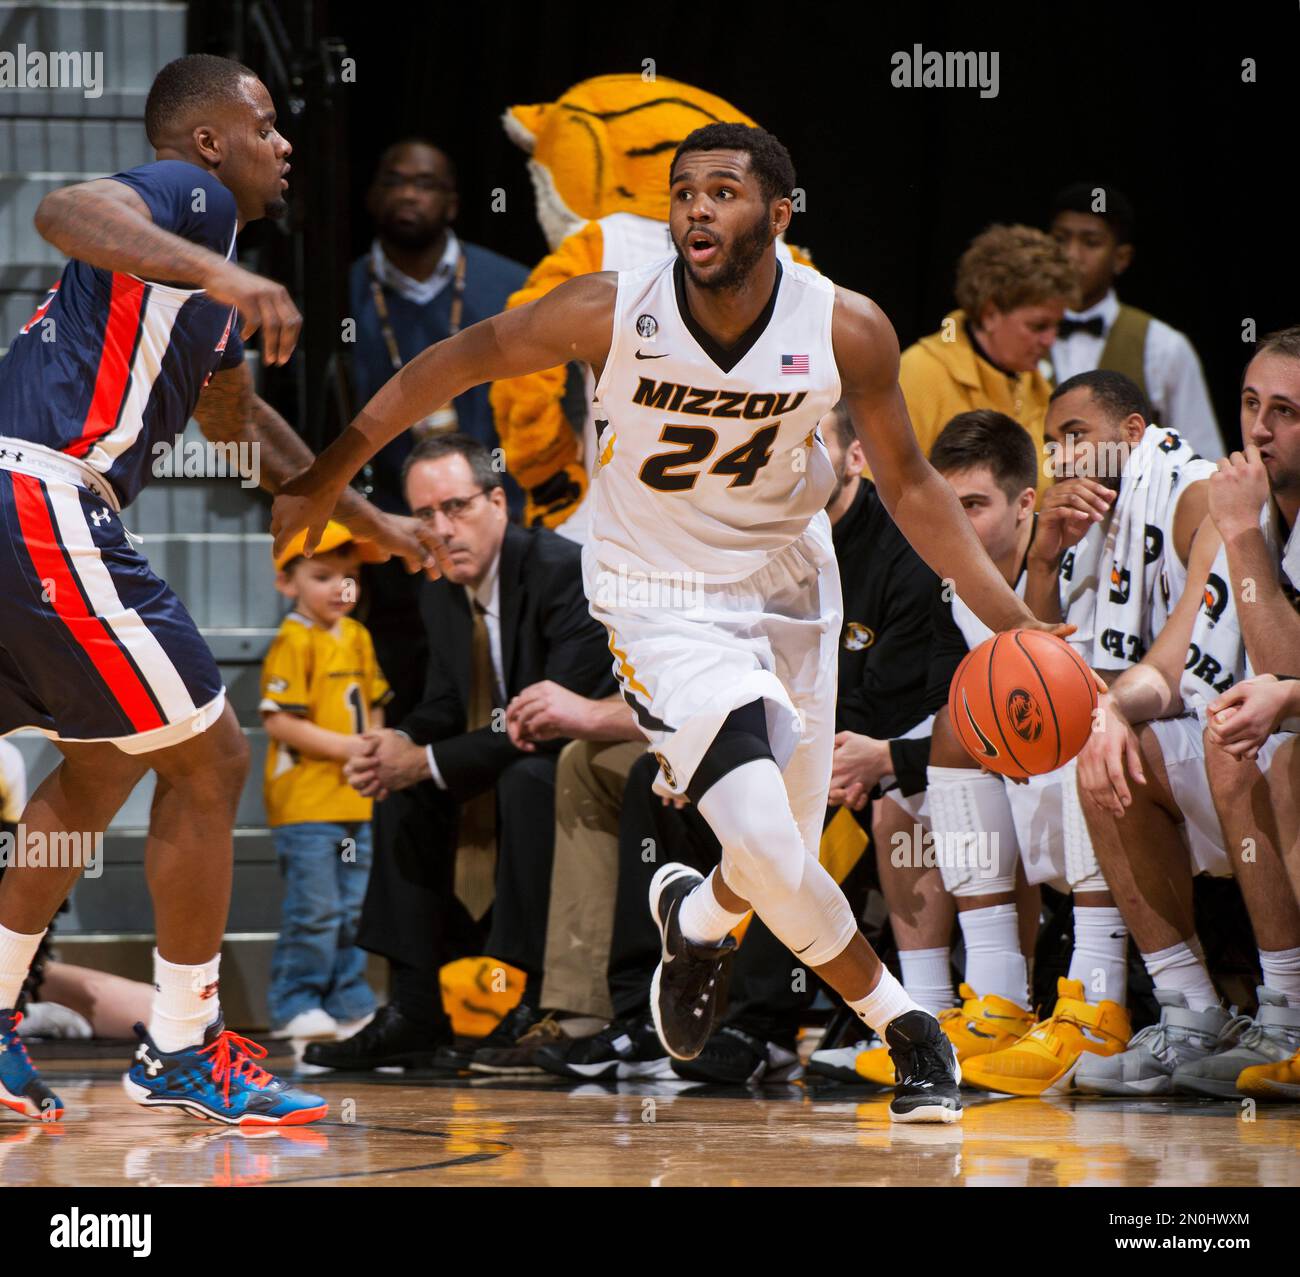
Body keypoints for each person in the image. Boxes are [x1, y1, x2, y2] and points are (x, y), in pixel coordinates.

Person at [272, 121, 1075, 1124]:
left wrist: (1009, 626)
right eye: (684, 189)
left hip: (789, 584)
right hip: (658, 596)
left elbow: (911, 486)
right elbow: (452, 363)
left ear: (778, 215)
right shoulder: (611, 307)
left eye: (724, 190)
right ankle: (909, 1027)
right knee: (762, 837)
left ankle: (694, 919)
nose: (697, 205)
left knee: (776, 839)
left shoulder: (844, 325)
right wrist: (327, 473)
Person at [0, 54, 437, 1126]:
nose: (283, 144)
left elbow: (236, 425)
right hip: (42, 489)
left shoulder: (196, 279)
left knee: (101, 769)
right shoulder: (186, 204)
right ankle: (182, 1044)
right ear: (207, 143)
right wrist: (228, 275)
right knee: (216, 755)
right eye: (265, 125)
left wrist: (365, 513)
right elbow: (63, 206)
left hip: (19, 498)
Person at [302, 434, 616, 1073]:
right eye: (423, 516)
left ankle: (538, 1000)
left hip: (588, 757)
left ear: (499, 501)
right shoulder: (441, 587)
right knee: (404, 788)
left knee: (528, 778)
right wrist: (401, 743)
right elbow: (447, 701)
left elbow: (548, 720)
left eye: (457, 507)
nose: (441, 530)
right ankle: (414, 1010)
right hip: (501, 757)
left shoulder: (563, 571)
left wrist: (428, 759)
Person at [1073, 328, 1300, 1099]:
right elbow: (1171, 665)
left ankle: (1289, 1012)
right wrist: (1109, 709)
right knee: (1113, 748)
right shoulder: (1241, 503)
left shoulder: (1229, 509)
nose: (1259, 429)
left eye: (1285, 412)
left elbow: (1280, 662)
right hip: (1262, 755)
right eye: (1248, 404)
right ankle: (1191, 1010)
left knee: (1234, 732)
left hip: (1278, 750)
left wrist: (1241, 537)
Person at [349, 139, 529, 725]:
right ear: (374, 196)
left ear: (451, 202)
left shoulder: (513, 286)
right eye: (395, 180)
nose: (408, 194)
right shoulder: (338, 293)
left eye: (424, 184)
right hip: (391, 535)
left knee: (513, 698)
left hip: (502, 525)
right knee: (410, 702)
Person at [261, 521, 390, 1041]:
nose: (340, 588)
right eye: (322, 576)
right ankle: (296, 1001)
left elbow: (375, 704)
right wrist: (349, 749)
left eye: (349, 577)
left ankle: (348, 999)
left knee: (354, 909)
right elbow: (279, 719)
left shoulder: (358, 636)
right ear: (287, 584)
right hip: (307, 804)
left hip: (355, 800)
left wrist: (374, 751)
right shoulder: (294, 639)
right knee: (315, 909)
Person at [1048, 182, 1222, 458]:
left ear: (1121, 258)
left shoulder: (1163, 345)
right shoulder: (1014, 335)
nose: (1070, 255)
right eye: (1060, 239)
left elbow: (1202, 459)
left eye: (1090, 243)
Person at [898, 224, 1077, 488]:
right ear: (990, 314)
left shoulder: (1039, 387)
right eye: (1038, 326)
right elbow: (885, 492)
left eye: (1056, 326)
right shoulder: (919, 373)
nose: (1050, 340)